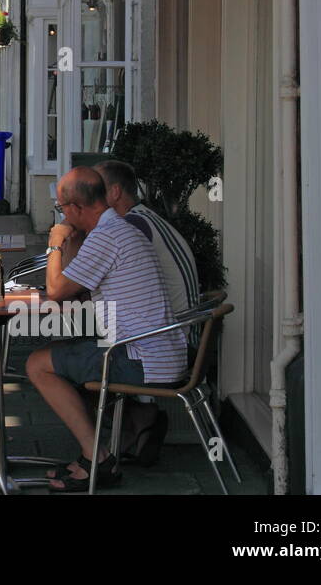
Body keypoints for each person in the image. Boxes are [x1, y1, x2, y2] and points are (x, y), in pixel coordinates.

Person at [26, 167, 187, 491]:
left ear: (75, 208)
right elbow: (74, 282)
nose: (61, 215)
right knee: (69, 353)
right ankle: (95, 452)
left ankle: (97, 458)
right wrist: (72, 237)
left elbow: (56, 290)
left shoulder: (106, 237)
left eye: (61, 208)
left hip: (141, 358)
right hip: (160, 352)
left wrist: (55, 242)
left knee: (38, 364)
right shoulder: (118, 228)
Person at [96, 159, 201, 462]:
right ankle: (138, 423)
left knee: (83, 358)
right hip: (186, 330)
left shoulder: (129, 226)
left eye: (97, 189)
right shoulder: (146, 218)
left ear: (114, 192)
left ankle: (133, 425)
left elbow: (92, 281)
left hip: (173, 340)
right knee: (100, 337)